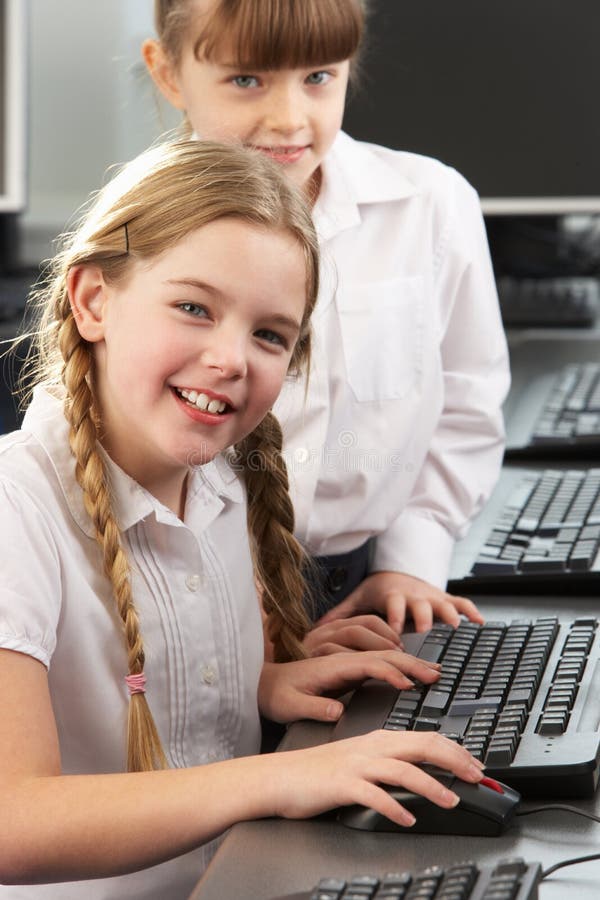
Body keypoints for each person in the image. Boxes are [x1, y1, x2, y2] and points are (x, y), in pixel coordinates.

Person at [0, 139, 485, 899]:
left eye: (269, 335)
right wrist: (281, 776)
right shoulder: (14, 510)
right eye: (194, 308)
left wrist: (260, 687)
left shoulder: (222, 481)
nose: (231, 358)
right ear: (92, 300)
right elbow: (12, 823)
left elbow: (146, 689)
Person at [142, 0, 511, 654]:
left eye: (318, 78)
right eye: (248, 80)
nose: (288, 119)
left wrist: (412, 559)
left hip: (364, 588)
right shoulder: (138, 228)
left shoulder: (430, 205)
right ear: (168, 73)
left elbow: (464, 400)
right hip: (190, 608)